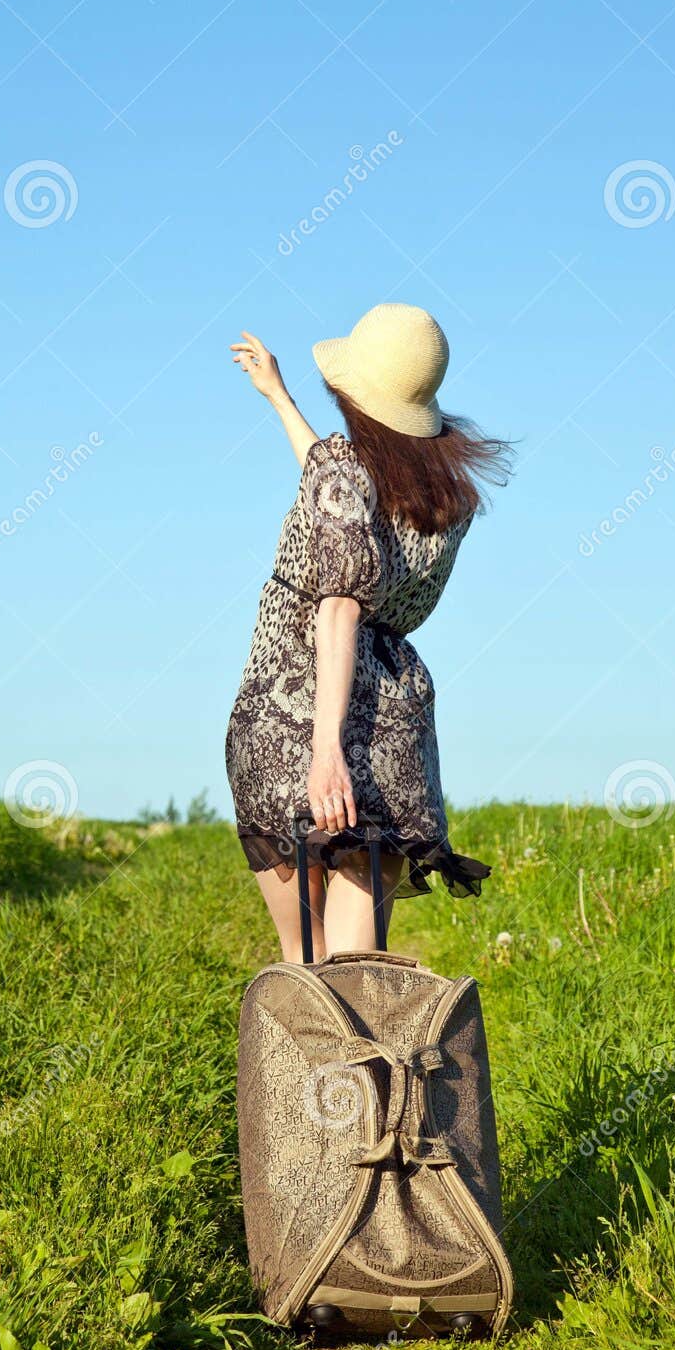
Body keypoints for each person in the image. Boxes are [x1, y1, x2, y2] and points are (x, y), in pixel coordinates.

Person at [226, 302, 512, 964]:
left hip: (294, 714)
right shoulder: (447, 496)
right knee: (361, 970)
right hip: (391, 722)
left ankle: (312, 1071)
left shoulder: (342, 472)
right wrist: (280, 399)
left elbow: (338, 608)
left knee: (307, 965)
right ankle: (382, 1072)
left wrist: (326, 752)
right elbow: (332, 486)